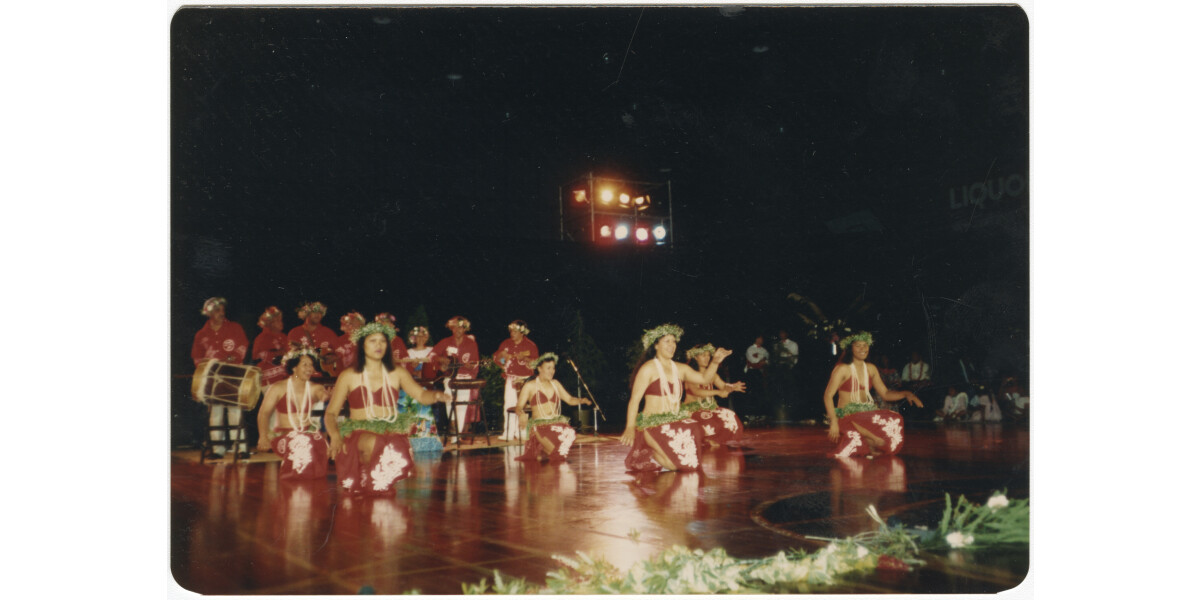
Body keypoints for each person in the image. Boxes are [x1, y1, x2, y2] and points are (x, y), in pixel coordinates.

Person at [324, 320, 451, 496]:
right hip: (359, 433)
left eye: (383, 341)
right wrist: (335, 435)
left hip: (389, 432)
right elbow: (330, 413)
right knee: (378, 443)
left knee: (393, 445)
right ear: (362, 345)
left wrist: (436, 396)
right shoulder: (348, 375)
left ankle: (375, 481)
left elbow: (421, 395)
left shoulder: (397, 373)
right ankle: (366, 474)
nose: (379, 345)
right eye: (373, 341)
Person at [620, 324, 732, 472]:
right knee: (675, 466)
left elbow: (705, 379)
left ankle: (658, 450)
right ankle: (650, 447)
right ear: (656, 345)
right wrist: (629, 427)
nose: (672, 345)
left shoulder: (680, 369)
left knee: (689, 465)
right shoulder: (648, 368)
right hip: (652, 424)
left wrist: (716, 362)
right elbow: (634, 400)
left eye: (674, 341)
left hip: (674, 421)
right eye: (667, 341)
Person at [823, 332, 923, 458]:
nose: (862, 349)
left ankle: (870, 442)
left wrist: (905, 393)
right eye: (858, 345)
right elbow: (828, 395)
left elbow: (885, 394)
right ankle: (870, 439)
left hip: (865, 414)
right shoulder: (843, 369)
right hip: (846, 415)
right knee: (857, 443)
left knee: (895, 419)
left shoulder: (871, 368)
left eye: (865, 345)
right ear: (850, 348)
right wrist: (833, 423)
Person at [255, 344, 331, 480]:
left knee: (318, 443)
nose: (310, 369)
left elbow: (322, 394)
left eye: (312, 365)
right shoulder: (277, 388)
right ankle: (294, 480)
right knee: (302, 441)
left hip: (309, 434)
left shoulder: (315, 387)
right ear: (294, 367)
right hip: (283, 436)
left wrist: (327, 396)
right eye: (305, 365)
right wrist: (263, 436)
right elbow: (263, 413)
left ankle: (309, 486)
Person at [191, 297, 250, 458]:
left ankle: (241, 449)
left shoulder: (234, 328)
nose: (221, 313)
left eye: (223, 309)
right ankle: (217, 450)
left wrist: (233, 359)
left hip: (232, 374)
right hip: (212, 377)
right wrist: (205, 367)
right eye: (217, 310)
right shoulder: (201, 334)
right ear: (208, 313)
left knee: (235, 412)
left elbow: (243, 346)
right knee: (215, 413)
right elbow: (196, 357)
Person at [514, 353, 591, 462]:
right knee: (557, 454)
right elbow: (519, 406)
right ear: (540, 369)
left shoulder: (555, 383)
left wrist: (581, 400)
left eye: (553, 368)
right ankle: (544, 448)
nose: (552, 371)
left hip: (555, 423)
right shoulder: (530, 386)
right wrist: (521, 414)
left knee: (570, 433)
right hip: (540, 426)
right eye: (548, 368)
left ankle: (547, 450)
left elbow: (569, 400)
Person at [683, 344, 747, 447]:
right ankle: (706, 440)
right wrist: (717, 392)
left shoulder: (713, 374)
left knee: (729, 415)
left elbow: (723, 386)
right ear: (695, 357)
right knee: (708, 421)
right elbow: (697, 391)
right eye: (703, 355)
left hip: (709, 408)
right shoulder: (691, 374)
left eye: (708, 355)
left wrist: (732, 387)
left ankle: (719, 440)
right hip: (693, 409)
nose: (707, 358)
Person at [431, 315, 482, 437]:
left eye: (461, 328)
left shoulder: (471, 344)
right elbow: (431, 355)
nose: (458, 330)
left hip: (465, 377)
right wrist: (440, 359)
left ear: (465, 329)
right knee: (449, 400)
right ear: (451, 328)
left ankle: (456, 433)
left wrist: (471, 366)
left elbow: (476, 362)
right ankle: (453, 424)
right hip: (450, 377)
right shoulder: (445, 342)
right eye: (455, 328)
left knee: (462, 404)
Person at [493, 320, 538, 442]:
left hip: (525, 380)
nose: (512, 333)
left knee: (522, 405)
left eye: (515, 331)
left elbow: (535, 364)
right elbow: (498, 361)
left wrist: (526, 358)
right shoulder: (505, 344)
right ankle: (508, 432)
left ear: (522, 332)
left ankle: (522, 431)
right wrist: (503, 358)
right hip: (510, 378)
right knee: (509, 404)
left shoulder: (530, 345)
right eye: (511, 331)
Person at [398, 325, 441, 452]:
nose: (420, 338)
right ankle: (409, 437)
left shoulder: (432, 350)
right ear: (413, 338)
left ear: (427, 337)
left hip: (429, 383)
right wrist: (414, 370)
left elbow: (436, 368)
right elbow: (405, 370)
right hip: (413, 382)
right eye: (417, 336)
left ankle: (426, 437)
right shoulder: (408, 352)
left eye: (423, 336)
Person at [288, 301, 340, 376]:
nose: (318, 315)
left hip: (325, 377)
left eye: (320, 312)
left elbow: (340, 352)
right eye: (314, 312)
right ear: (306, 314)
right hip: (302, 376)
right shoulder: (295, 333)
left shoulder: (329, 333)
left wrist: (334, 358)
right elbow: (290, 357)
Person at [251, 306, 289, 387]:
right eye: (278, 321)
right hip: (269, 382)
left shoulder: (284, 337)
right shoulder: (262, 338)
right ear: (270, 323)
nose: (281, 323)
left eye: (281, 320)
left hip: (284, 379)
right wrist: (276, 353)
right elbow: (256, 356)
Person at [332, 311, 367, 376]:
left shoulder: (367, 340)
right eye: (350, 323)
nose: (351, 325)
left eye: (354, 322)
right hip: (342, 376)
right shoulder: (339, 340)